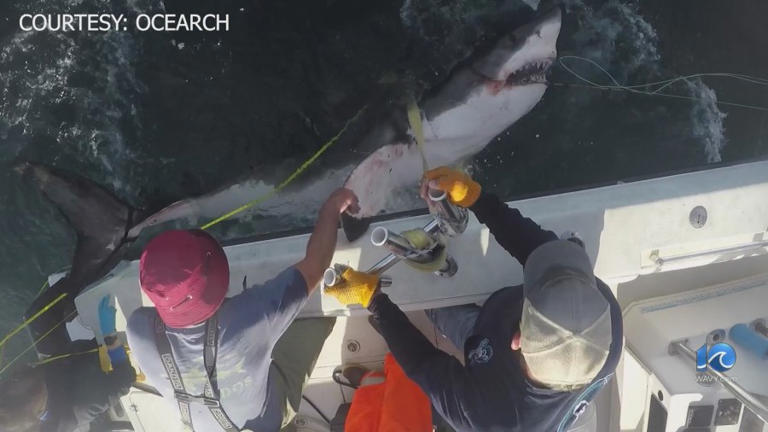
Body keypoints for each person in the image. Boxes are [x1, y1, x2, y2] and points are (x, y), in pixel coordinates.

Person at [325, 167, 623, 432]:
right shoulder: (601, 319)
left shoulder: (486, 416)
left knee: (433, 301)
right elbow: (539, 250)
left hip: (491, 360)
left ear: (517, 339)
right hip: (530, 369)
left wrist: (374, 301)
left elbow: (422, 363)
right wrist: (477, 198)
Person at [126, 188, 359, 432]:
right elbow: (315, 267)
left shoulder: (137, 329)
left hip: (202, 427)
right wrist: (333, 205)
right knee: (317, 318)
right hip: (267, 421)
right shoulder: (249, 316)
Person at [0, 296, 136, 432]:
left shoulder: (21, 386)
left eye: (12, 380)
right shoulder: (82, 406)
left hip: (64, 360)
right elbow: (125, 378)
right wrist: (109, 336)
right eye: (30, 390)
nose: (19, 372)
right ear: (39, 410)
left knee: (38, 316)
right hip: (95, 367)